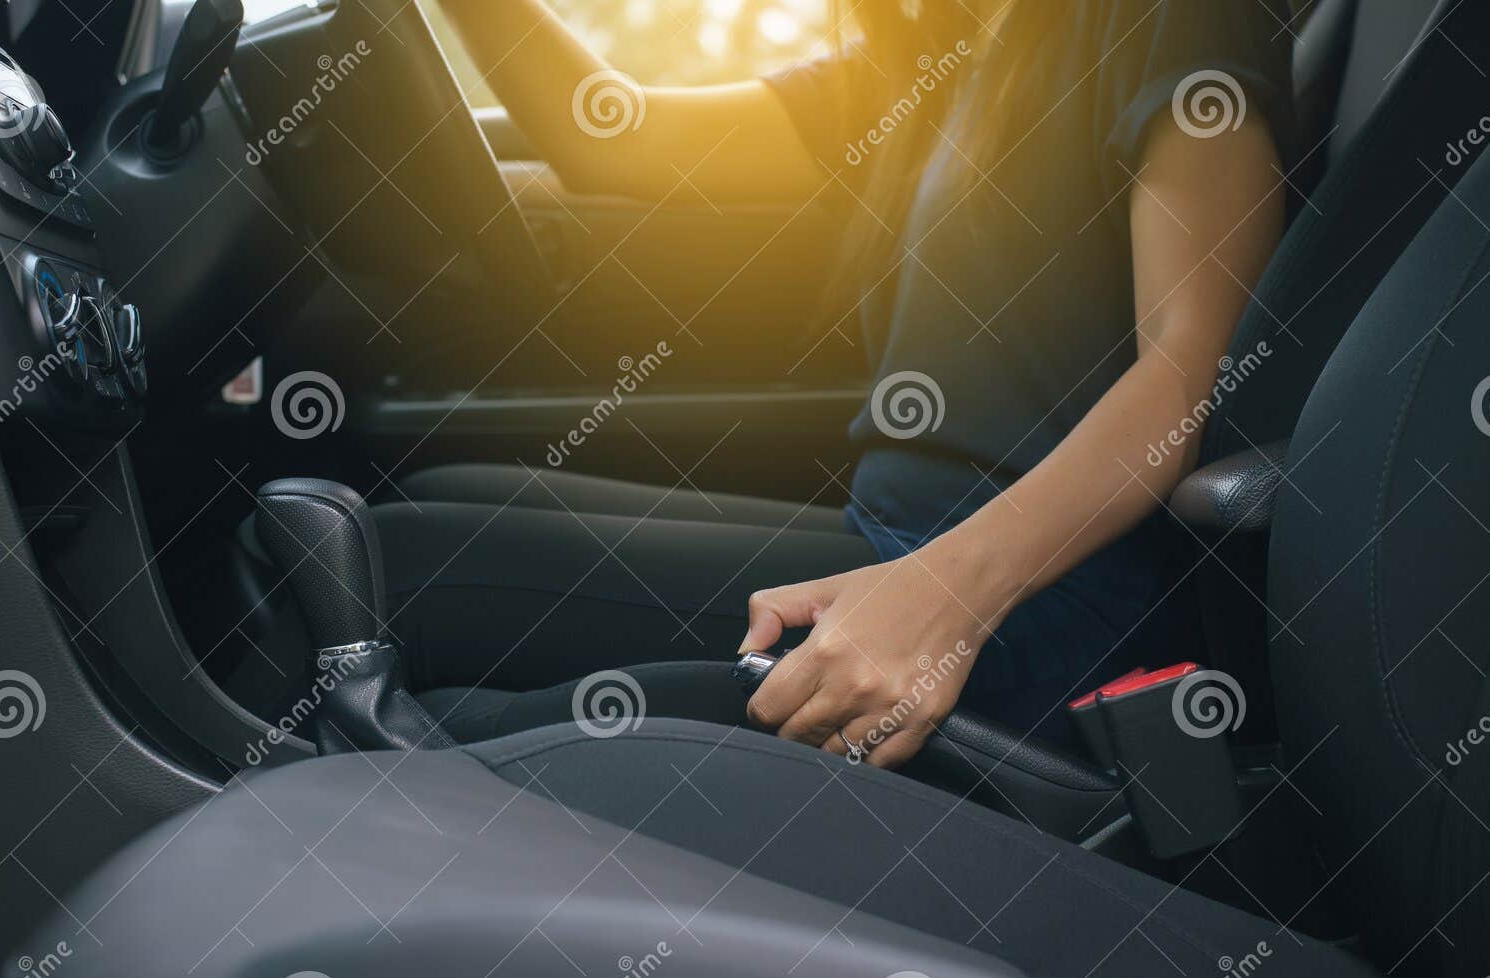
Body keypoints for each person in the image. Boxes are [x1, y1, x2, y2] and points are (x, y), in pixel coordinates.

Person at [402, 0, 1292, 765]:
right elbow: (611, 137)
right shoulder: (928, 60)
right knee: (424, 503)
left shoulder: (1157, 16)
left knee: (387, 571)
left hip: (1029, 606)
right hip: (890, 544)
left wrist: (944, 596)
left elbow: (1193, 368)